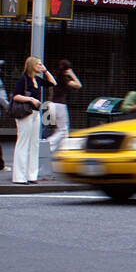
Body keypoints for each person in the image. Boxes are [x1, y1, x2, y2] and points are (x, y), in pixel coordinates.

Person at [11, 56, 56, 184]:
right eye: (38, 64)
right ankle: (19, 177)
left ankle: (32, 175)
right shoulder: (23, 79)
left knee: (34, 144)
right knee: (23, 143)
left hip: (36, 114)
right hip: (25, 113)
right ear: (31, 66)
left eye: (41, 64)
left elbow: (53, 83)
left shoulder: (37, 79)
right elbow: (16, 96)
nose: (41, 66)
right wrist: (31, 99)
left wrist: (46, 71)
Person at [47, 59, 82, 154]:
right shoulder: (64, 78)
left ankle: (63, 149)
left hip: (52, 104)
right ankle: (48, 145)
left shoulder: (54, 77)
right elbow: (78, 85)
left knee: (59, 129)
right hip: (60, 105)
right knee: (63, 130)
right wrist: (72, 74)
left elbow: (50, 92)